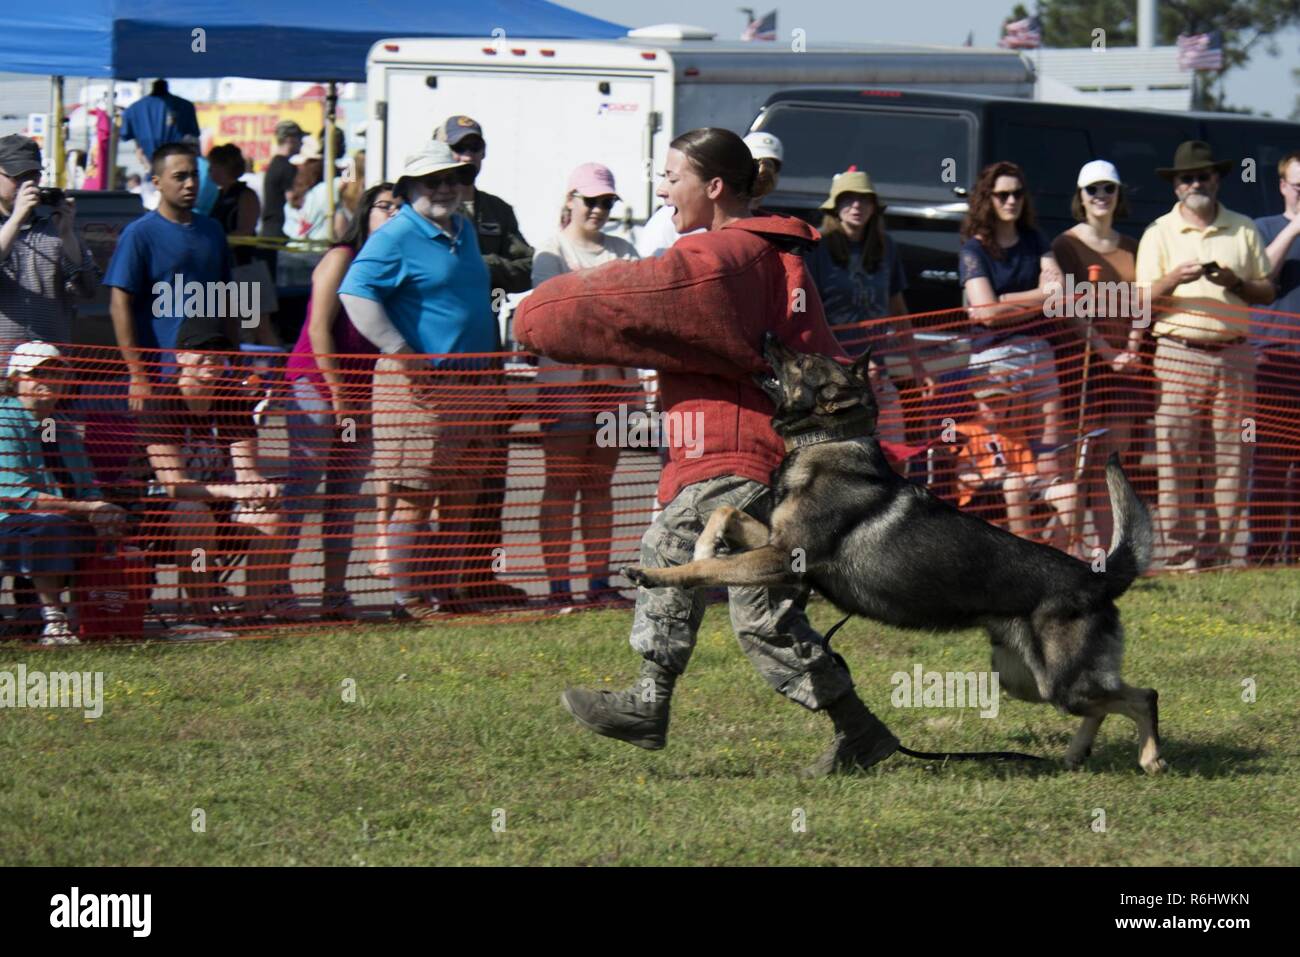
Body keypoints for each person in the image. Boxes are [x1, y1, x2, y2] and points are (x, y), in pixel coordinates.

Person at [516, 127, 899, 777]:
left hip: (739, 450)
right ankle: (861, 731)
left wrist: (527, 317)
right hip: (773, 455)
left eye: (672, 176)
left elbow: (631, 295)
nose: (662, 189)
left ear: (713, 186)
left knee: (670, 544)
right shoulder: (773, 253)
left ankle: (648, 701)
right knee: (764, 618)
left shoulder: (728, 255)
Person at [338, 142, 497, 620]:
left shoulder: (461, 229)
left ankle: (445, 594)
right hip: (420, 387)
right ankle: (407, 600)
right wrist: (399, 349)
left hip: (474, 382)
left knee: (461, 497)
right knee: (414, 496)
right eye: (434, 180)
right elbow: (355, 291)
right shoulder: (398, 232)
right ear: (409, 189)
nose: (446, 188)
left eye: (453, 178)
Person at [1134, 140, 1274, 571]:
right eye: (1187, 177)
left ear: (1217, 180)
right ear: (1175, 186)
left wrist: (1235, 282)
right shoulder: (1158, 232)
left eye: (1203, 175)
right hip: (1178, 353)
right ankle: (1179, 555)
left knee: (1231, 456)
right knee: (1175, 456)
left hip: (1233, 355)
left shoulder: (1244, 227)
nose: (1196, 182)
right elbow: (1138, 299)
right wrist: (1173, 279)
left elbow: (1267, 290)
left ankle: (1220, 555)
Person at [123, 316, 294, 621]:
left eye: (219, 349)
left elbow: (247, 472)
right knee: (193, 511)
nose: (212, 355)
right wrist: (232, 490)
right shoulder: (162, 404)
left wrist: (259, 487)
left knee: (271, 512)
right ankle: (203, 615)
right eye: (202, 348)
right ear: (181, 355)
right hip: (151, 517)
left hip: (214, 511)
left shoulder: (231, 400)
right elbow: (174, 485)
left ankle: (251, 618)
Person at [283, 183, 398, 618]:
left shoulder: (396, 269)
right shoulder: (342, 258)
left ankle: (334, 593)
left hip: (363, 393)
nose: (392, 213)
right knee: (302, 488)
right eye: (383, 206)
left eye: (399, 208)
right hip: (314, 383)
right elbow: (318, 331)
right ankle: (277, 586)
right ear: (365, 213)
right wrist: (338, 396)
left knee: (344, 498)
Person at [436, 114, 535, 607]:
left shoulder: (497, 210)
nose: (465, 157)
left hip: (487, 363)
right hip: (437, 364)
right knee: (436, 475)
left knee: (490, 473)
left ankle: (479, 576)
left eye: (473, 148)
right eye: (457, 148)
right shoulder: (425, 210)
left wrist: (481, 268)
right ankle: (432, 579)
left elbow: (527, 266)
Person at [531, 163, 639, 608]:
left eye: (606, 202)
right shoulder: (550, 250)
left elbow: (637, 314)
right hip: (565, 384)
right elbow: (554, 319)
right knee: (561, 483)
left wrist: (590, 306)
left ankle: (597, 582)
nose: (598, 209)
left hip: (613, 385)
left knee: (599, 483)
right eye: (590, 200)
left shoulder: (624, 249)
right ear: (571, 199)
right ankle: (559, 587)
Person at [0, 342, 128, 645]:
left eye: (57, 373)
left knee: (118, 526)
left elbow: (87, 486)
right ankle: (54, 621)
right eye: (39, 373)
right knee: (52, 526)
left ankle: (107, 619)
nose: (49, 380)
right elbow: (17, 494)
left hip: (57, 517)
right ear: (17, 379)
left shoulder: (64, 428)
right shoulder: (4, 421)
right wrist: (87, 508)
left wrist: (104, 508)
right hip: (11, 520)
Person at [1050, 160, 1146, 553]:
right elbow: (1068, 308)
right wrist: (1106, 352)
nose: (1101, 196)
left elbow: (1141, 302)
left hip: (1124, 370)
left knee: (1113, 462)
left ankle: (1111, 552)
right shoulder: (1065, 245)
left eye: (1108, 188)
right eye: (1093, 190)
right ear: (1080, 196)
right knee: (1078, 461)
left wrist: (1132, 349)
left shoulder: (1132, 246)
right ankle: (1065, 552)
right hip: (1083, 367)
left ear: (1118, 194)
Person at [104, 143, 238, 412]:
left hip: (210, 374)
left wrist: (235, 360)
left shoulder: (213, 230)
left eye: (194, 175)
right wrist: (137, 373)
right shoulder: (139, 234)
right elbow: (119, 304)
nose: (190, 184)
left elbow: (229, 299)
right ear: (157, 183)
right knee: (159, 451)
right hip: (161, 375)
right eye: (180, 177)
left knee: (209, 452)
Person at [804, 165, 930, 446]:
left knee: (894, 451)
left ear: (874, 206)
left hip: (877, 371)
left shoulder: (887, 248)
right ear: (835, 206)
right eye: (848, 198)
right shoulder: (818, 248)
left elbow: (898, 310)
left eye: (864, 199)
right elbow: (807, 315)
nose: (856, 205)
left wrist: (916, 364)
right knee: (844, 453)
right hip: (833, 374)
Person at [959, 161, 1066, 488]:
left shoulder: (1035, 239)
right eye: (1002, 194)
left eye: (1017, 194)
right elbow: (987, 313)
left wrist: (1006, 301)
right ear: (987, 198)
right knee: (1007, 452)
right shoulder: (973, 250)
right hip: (996, 357)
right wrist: (1036, 299)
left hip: (1039, 353)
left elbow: (1059, 296)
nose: (1011, 201)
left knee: (1048, 450)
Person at [0, 134, 99, 353]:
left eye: (33, 177)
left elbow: (88, 288)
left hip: (51, 369)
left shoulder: (53, 227)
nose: (26, 185)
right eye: (17, 177)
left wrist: (67, 233)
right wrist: (17, 218)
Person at [1249, 149, 1300, 564]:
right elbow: (1259, 276)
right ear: (1283, 187)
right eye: (1299, 187)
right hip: (1274, 363)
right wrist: (1294, 228)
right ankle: (1262, 554)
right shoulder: (1261, 228)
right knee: (1269, 463)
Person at [636, 130, 782, 257]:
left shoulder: (709, 259)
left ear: (714, 187)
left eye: (673, 179)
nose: (660, 191)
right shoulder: (781, 244)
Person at [208, 143, 277, 347]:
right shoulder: (220, 196)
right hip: (228, 271)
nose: (210, 172)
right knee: (234, 328)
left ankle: (280, 373)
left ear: (224, 167)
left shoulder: (244, 195)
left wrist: (218, 242)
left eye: (213, 167)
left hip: (245, 269)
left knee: (259, 327)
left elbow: (245, 230)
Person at [119, 80, 200, 171]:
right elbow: (193, 136)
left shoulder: (132, 109)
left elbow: (125, 135)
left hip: (151, 166)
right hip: (175, 165)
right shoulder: (185, 106)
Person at [260, 120, 304, 241]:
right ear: (290, 139)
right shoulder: (287, 167)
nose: (302, 143)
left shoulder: (274, 164)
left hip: (269, 229)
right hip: (282, 232)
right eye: (300, 139)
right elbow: (293, 199)